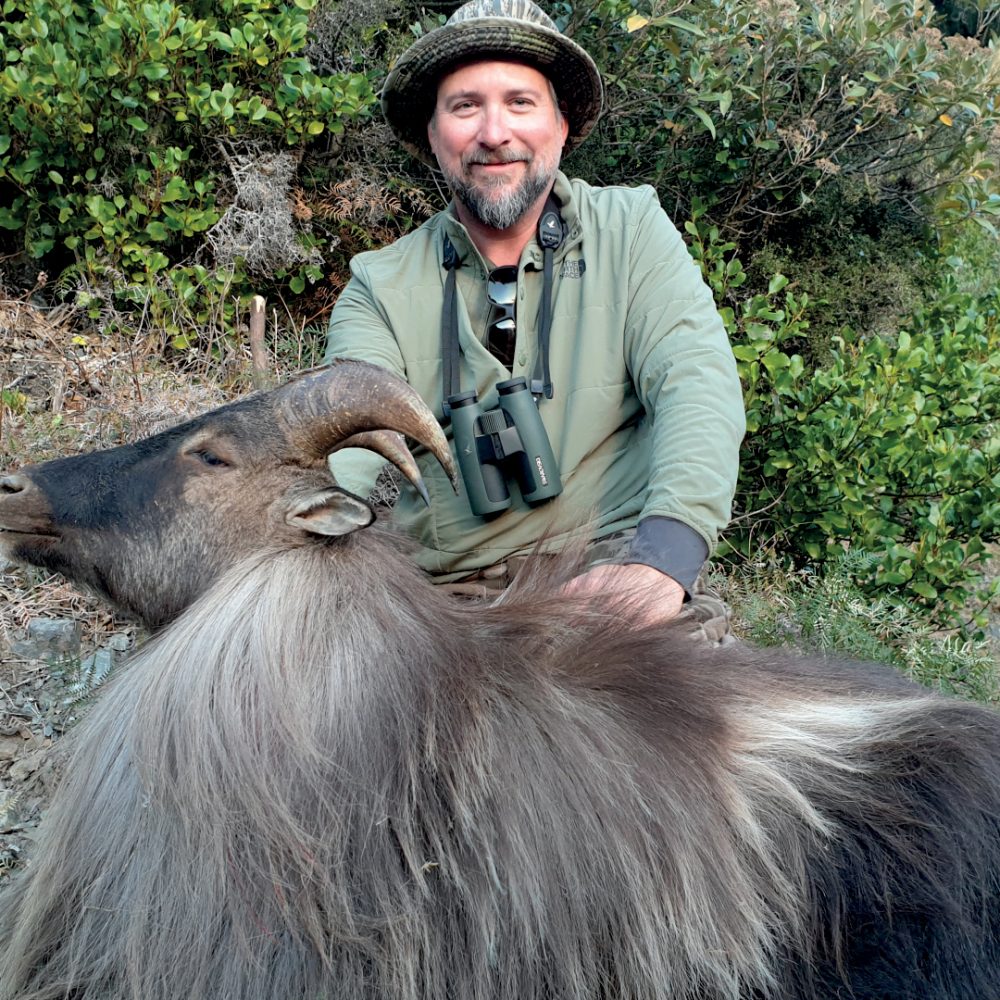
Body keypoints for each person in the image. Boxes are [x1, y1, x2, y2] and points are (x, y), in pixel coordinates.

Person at [324, 0, 745, 635]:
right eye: (465, 106)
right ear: (433, 135)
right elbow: (342, 444)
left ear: (562, 124)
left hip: (610, 569)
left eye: (520, 102)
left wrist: (664, 561)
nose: (494, 133)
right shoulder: (378, 286)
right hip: (444, 601)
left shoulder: (632, 230)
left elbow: (697, 384)